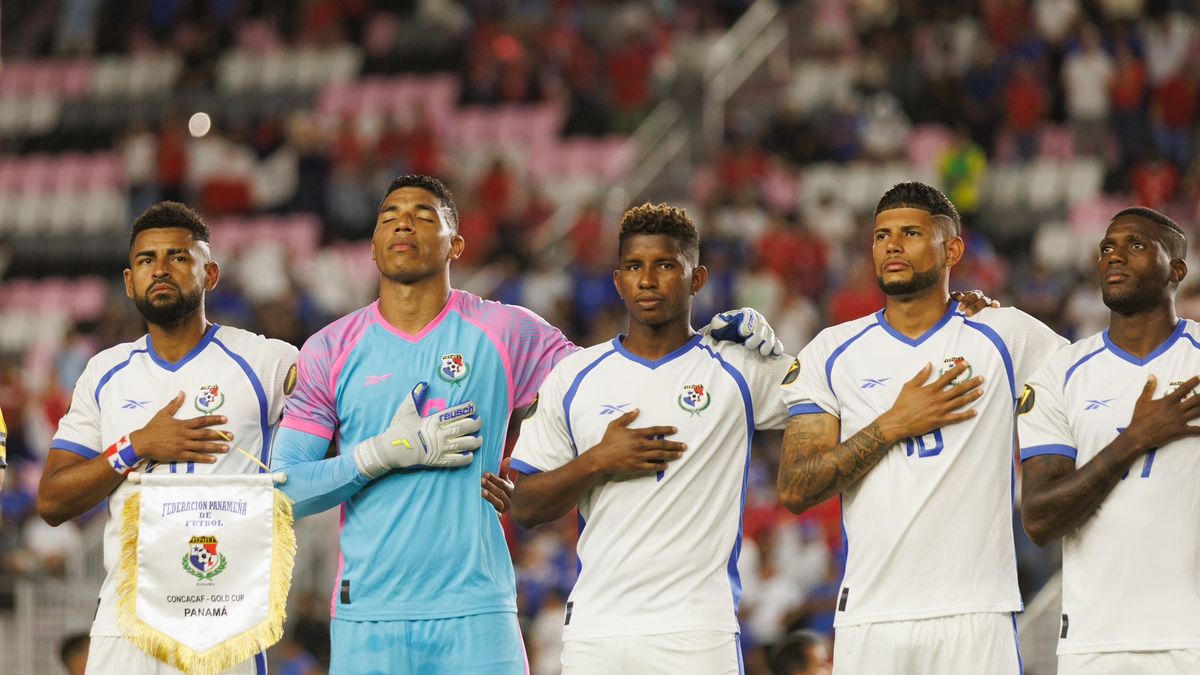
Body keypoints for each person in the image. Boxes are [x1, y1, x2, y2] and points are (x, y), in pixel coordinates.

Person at [270, 176, 781, 674]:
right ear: (374, 244)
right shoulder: (330, 350)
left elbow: (625, 377)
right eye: (390, 218)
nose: (404, 225)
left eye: (424, 216)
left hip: (478, 612)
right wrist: (379, 453)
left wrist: (720, 338)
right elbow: (284, 492)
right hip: (367, 614)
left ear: (457, 245)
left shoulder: (506, 331)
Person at [776, 182, 1067, 674]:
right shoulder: (832, 349)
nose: (892, 245)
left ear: (952, 248)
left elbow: (1096, 384)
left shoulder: (1007, 333)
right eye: (881, 235)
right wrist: (893, 424)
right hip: (871, 617)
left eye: (911, 233)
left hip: (976, 612)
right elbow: (795, 487)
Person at [507, 203, 792, 673]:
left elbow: (836, 396)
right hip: (599, 631)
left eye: (665, 265)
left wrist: (780, 353)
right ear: (618, 281)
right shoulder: (574, 376)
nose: (647, 280)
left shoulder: (738, 368)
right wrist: (597, 461)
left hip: (698, 631)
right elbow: (525, 506)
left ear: (696, 278)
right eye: (634, 267)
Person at [37, 201, 298, 675]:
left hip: (224, 619)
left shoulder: (266, 361)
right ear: (128, 281)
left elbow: (339, 418)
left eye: (178, 257)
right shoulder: (104, 373)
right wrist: (135, 447)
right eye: (145, 260)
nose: (160, 269)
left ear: (211, 274)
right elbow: (52, 501)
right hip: (125, 623)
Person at [1018, 207, 1200, 674]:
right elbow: (1038, 520)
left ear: (1176, 269)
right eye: (1106, 248)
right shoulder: (1059, 375)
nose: (1114, 256)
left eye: (1136, 245)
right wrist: (1134, 439)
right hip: (1093, 640)